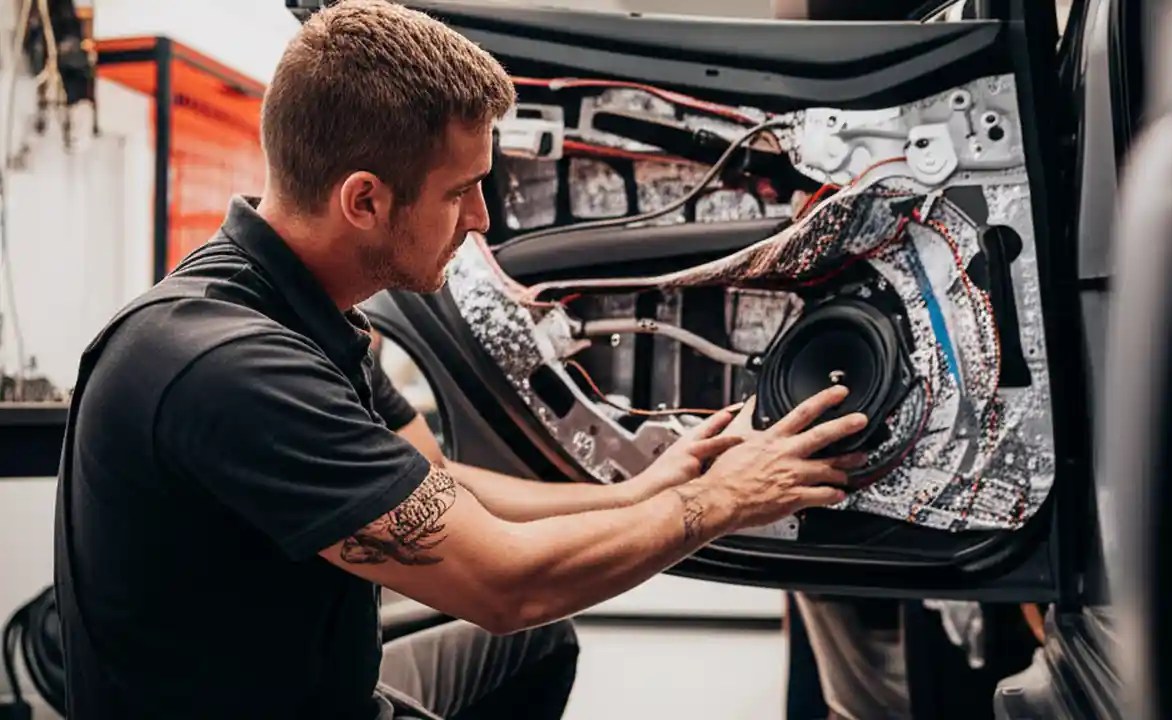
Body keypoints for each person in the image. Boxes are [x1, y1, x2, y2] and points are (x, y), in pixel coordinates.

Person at [52, 2, 869, 719]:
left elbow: (435, 485)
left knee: (534, 649)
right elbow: (505, 585)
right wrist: (722, 501)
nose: (481, 217)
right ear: (364, 200)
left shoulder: (300, 309)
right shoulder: (231, 368)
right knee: (525, 617)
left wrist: (644, 489)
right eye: (459, 191)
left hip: (322, 690)